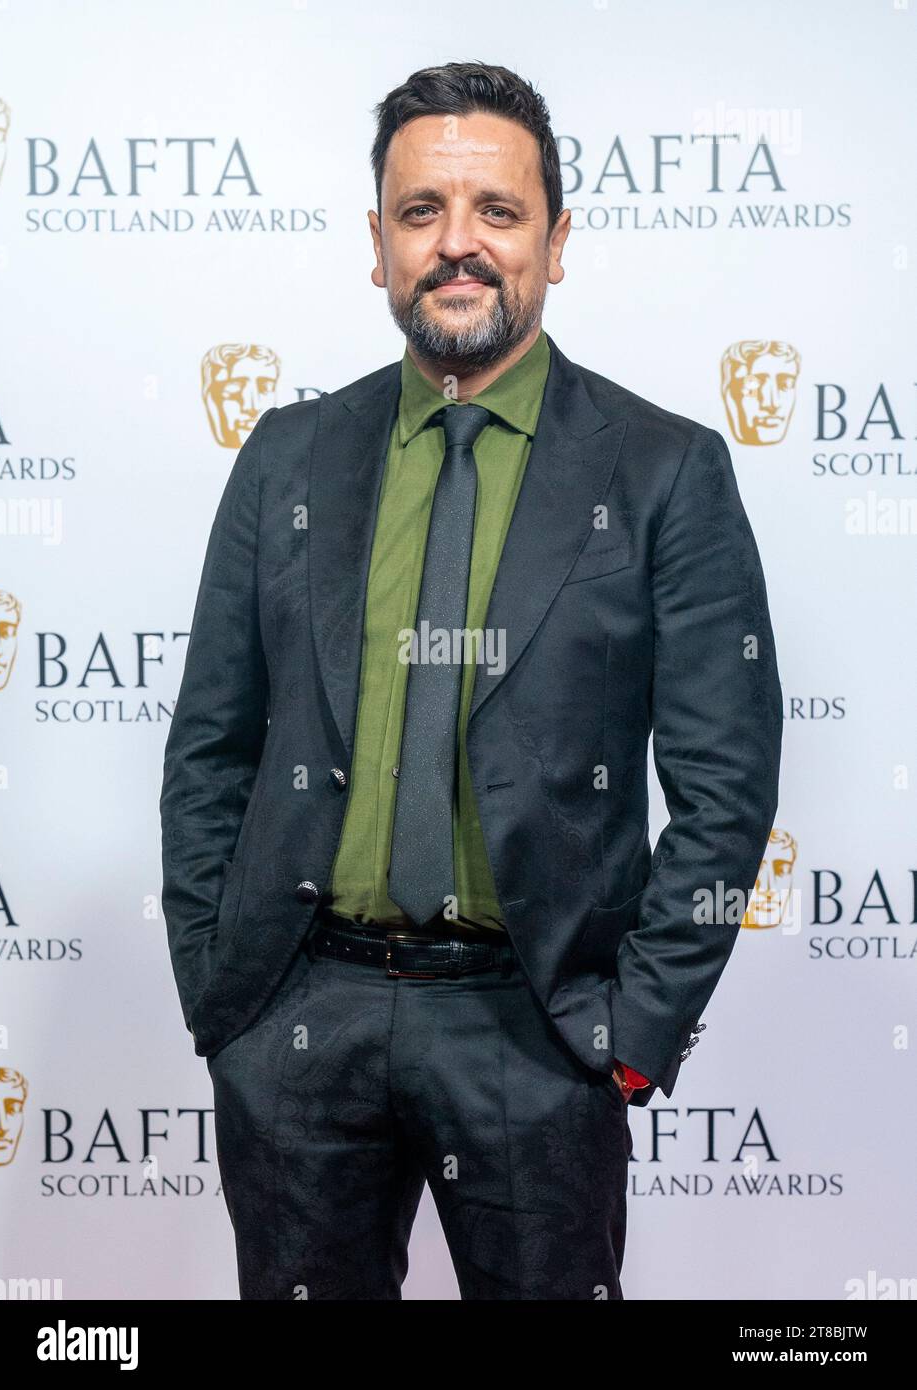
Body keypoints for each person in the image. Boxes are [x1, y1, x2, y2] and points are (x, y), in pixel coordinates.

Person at [159, 59, 782, 1301]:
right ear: (377, 245)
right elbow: (209, 751)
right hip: (300, 1022)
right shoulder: (287, 456)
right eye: (421, 212)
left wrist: (629, 1035)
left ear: (556, 238)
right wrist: (220, 997)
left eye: (497, 212)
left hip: (535, 1035)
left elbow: (723, 785)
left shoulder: (664, 472)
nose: (460, 246)